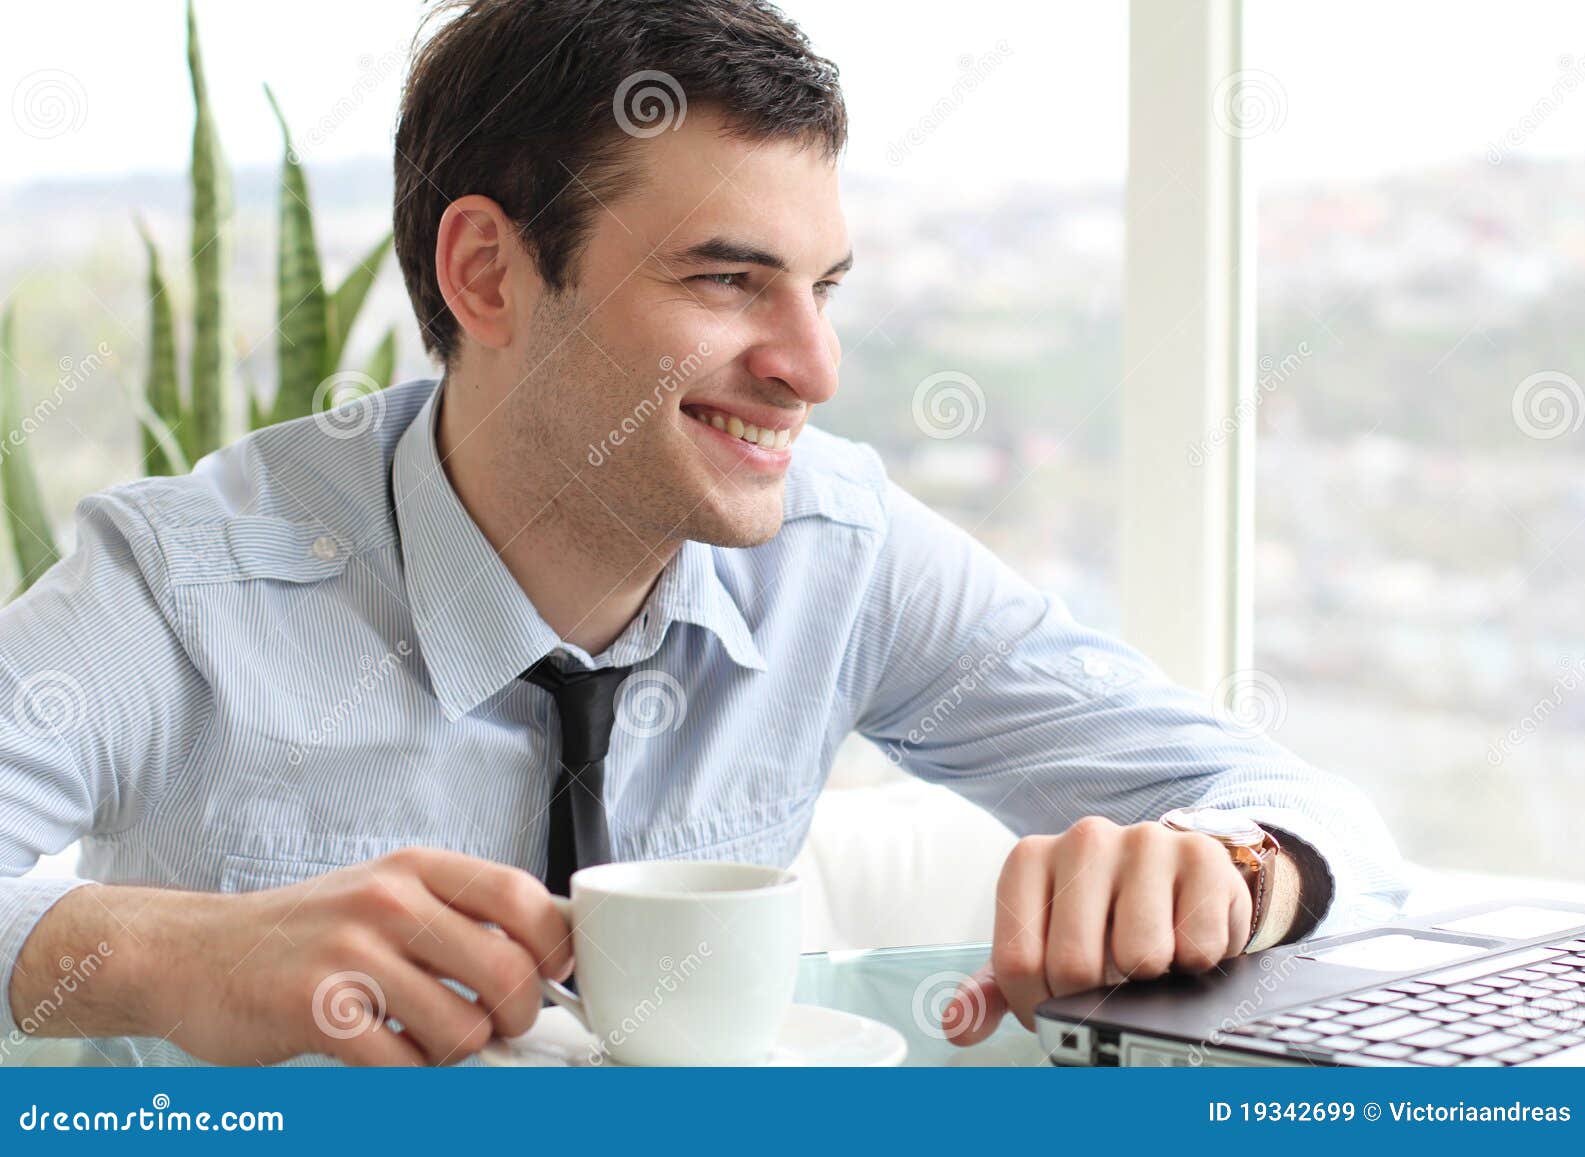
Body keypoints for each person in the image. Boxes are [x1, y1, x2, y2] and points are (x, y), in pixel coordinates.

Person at [0, 0, 1406, 1066]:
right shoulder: (185, 580)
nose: (811, 364)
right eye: (729, 280)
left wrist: (1232, 870)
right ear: (488, 273)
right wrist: (169, 949)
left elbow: (1318, 812)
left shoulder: (838, 552)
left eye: (823, 287)